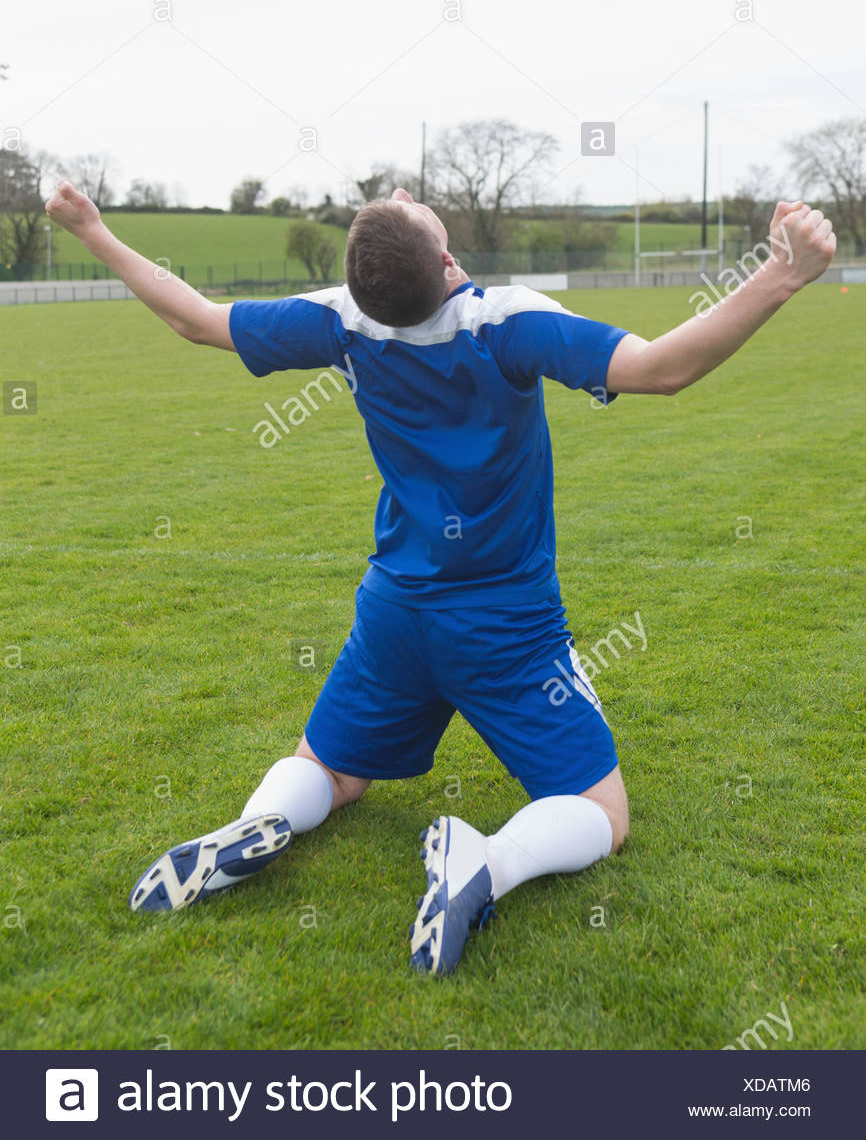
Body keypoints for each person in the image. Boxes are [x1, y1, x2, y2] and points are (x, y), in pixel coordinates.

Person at [45, 180, 835, 975]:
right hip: (507, 626)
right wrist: (780, 274)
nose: (398, 191)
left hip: (394, 614)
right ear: (451, 263)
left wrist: (93, 229)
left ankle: (263, 819)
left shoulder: (342, 322)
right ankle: (484, 865)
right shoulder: (505, 322)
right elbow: (661, 369)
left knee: (330, 770)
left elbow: (193, 318)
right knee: (603, 812)